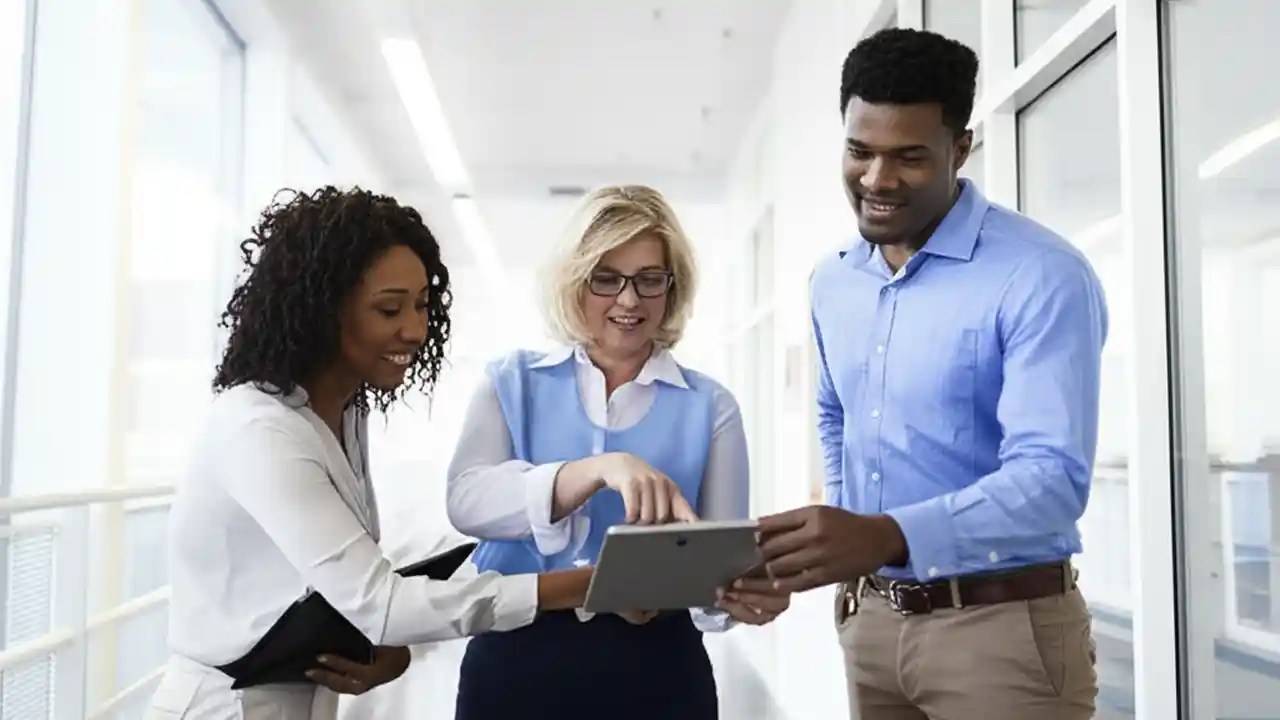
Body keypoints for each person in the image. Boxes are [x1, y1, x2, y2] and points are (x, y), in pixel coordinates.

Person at [747, 29, 1108, 719]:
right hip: (872, 625)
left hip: (1000, 635)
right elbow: (836, 415)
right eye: (860, 151)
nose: (878, 179)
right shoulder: (834, 280)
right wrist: (838, 552)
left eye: (909, 157)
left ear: (960, 148)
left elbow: (1052, 481)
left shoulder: (1040, 274)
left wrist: (883, 533)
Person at [146, 187, 595, 720]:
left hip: (300, 698)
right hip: (224, 706)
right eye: (389, 308)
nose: (414, 328)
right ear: (322, 309)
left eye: (423, 304)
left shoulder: (343, 412)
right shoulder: (258, 430)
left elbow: (347, 595)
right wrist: (578, 587)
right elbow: (379, 604)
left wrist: (384, 652)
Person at [445, 184, 790, 720]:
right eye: (606, 278)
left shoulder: (711, 407)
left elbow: (716, 576)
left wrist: (743, 597)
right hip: (516, 660)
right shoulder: (511, 383)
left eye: (649, 279)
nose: (629, 300)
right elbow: (467, 502)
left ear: (672, 289)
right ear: (575, 280)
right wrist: (598, 470)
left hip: (657, 671)